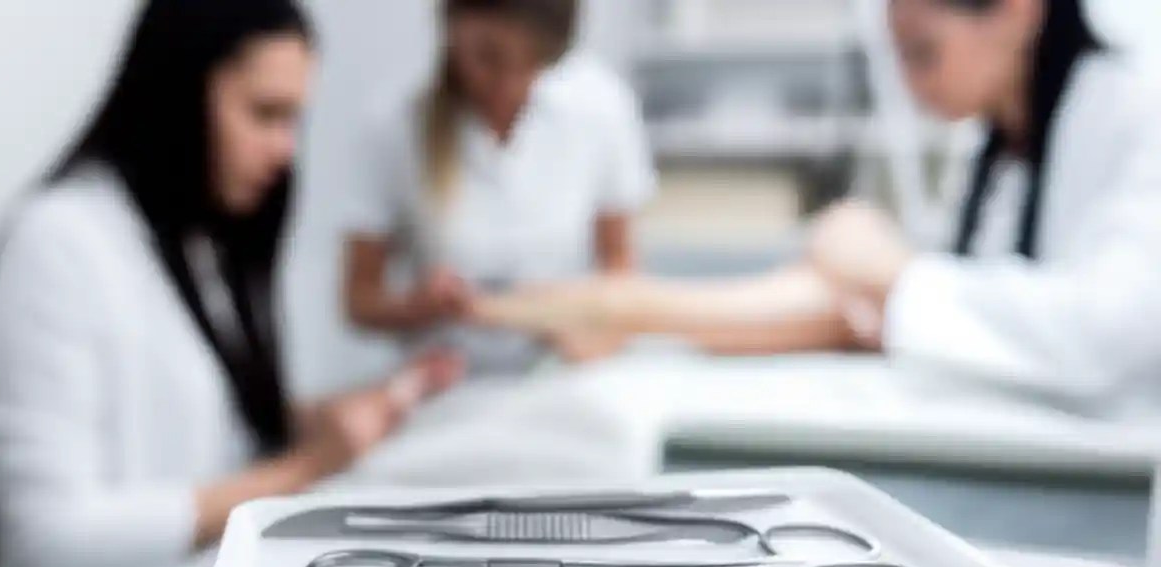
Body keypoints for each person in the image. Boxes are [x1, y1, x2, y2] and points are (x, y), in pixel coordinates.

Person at [0, 0, 463, 567]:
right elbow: (46, 543)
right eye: (264, 114)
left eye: (294, 121)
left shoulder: (198, 244)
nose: (286, 151)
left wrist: (329, 421)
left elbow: (207, 431)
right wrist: (306, 465)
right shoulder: (56, 244)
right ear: (176, 95)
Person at [472, 0, 1161, 418]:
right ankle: (620, 308)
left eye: (925, 54)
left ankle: (622, 308)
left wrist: (894, 273)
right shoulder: (1001, 146)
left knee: (840, 275)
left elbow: (1104, 335)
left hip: (1112, 442)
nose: (914, 86)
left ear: (1016, 11)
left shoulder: (1133, 116)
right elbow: (954, 309)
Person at [343, 0, 656, 374]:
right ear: (451, 27)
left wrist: (589, 329)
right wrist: (419, 305)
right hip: (445, 382)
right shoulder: (397, 123)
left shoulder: (600, 106)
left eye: (531, 63)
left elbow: (621, 270)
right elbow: (360, 300)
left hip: (565, 374)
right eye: (487, 57)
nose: (507, 83)